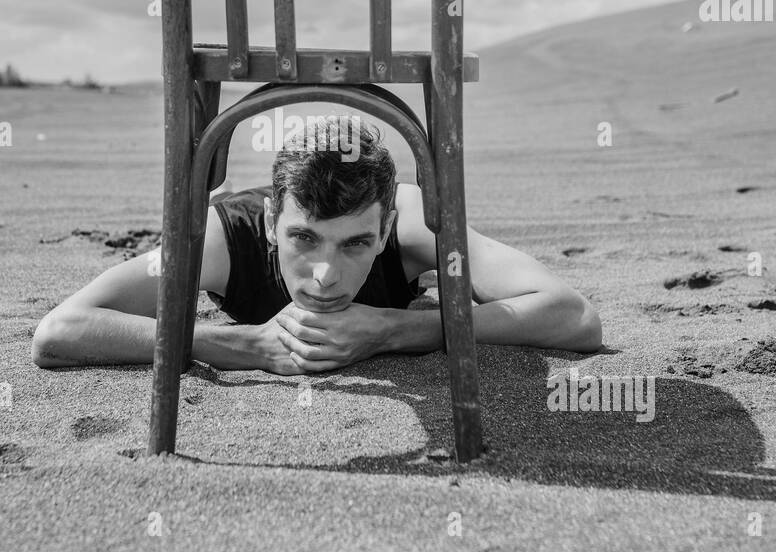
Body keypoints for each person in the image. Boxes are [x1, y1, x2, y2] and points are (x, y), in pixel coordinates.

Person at [32, 116, 601, 374]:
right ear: (273, 217)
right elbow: (59, 333)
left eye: (355, 243)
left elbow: (574, 318)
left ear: (383, 231)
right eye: (303, 238)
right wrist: (245, 346)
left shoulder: (410, 221)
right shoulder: (221, 236)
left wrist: (394, 330)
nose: (326, 274)